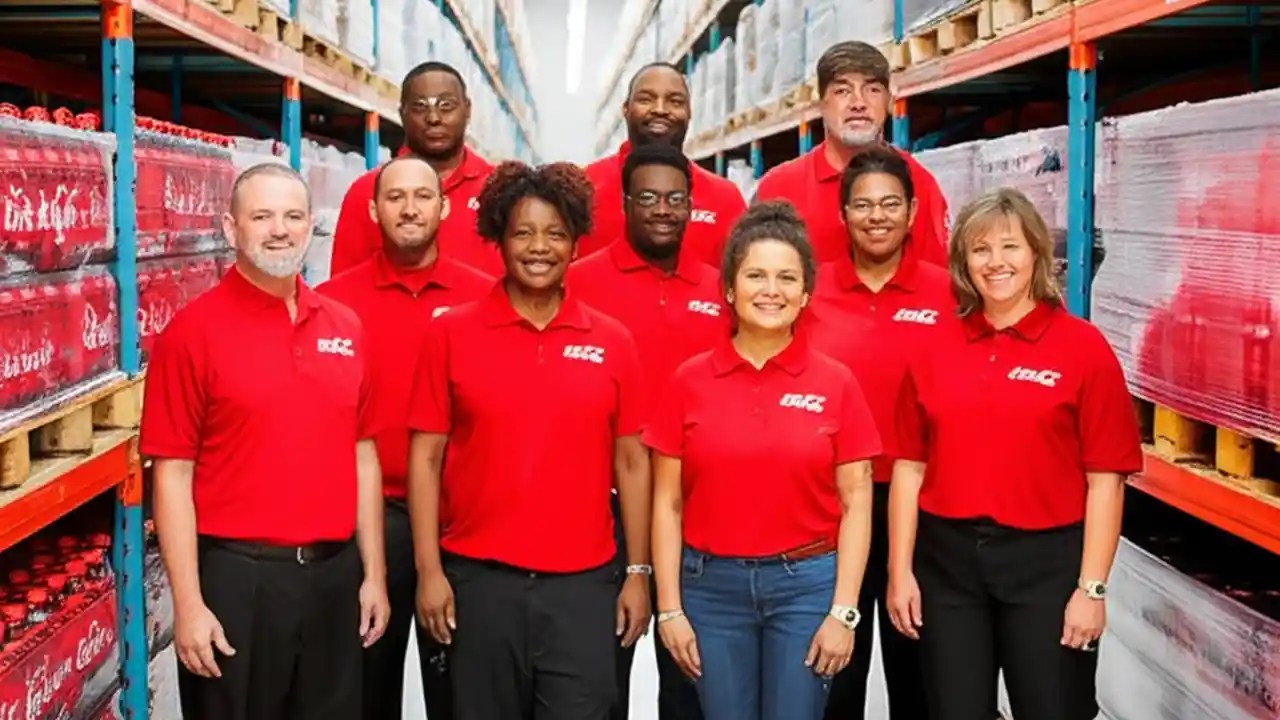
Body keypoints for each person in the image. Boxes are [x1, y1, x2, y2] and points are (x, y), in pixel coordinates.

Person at [141, 163, 390, 720]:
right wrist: (189, 605)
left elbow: (363, 454)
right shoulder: (192, 334)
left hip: (333, 578)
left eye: (293, 216)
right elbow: (172, 476)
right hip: (238, 582)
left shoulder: (345, 328)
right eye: (262, 216)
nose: (280, 229)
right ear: (231, 229)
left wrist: (373, 574)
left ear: (310, 226)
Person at [405, 161, 653, 720]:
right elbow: (425, 458)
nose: (539, 247)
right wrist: (428, 571)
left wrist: (638, 574)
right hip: (478, 582)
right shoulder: (451, 333)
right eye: (523, 232)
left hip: (583, 588)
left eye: (556, 234)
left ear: (575, 243)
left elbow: (633, 464)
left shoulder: (612, 341)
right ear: (498, 237)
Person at [886, 188, 1142, 720]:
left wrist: (1091, 588)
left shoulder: (1082, 348)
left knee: (1052, 708)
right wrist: (900, 571)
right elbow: (909, 468)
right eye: (980, 250)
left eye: (1010, 247)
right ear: (963, 262)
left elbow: (1106, 480)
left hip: (1046, 566)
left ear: (1035, 255)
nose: (995, 263)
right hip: (947, 566)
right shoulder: (934, 348)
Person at [647, 201, 881, 720]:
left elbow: (857, 500)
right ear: (730, 288)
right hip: (711, 591)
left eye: (785, 278)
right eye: (755, 275)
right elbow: (666, 503)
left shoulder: (836, 383)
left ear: (805, 295)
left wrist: (845, 611)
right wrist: (669, 608)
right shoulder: (688, 381)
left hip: (806, 588)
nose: (770, 290)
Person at [317, 156, 493, 720]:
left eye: (423, 196)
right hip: (371, 522)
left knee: (462, 689)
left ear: (444, 207)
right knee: (366, 686)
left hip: (458, 522)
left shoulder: (484, 298)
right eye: (395, 198)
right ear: (373, 210)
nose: (410, 208)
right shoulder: (332, 303)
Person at [566, 142, 726, 720]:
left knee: (691, 682)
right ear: (625, 203)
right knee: (598, 681)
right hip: (605, 512)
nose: (663, 209)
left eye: (676, 199)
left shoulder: (720, 289)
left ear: (692, 207)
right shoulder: (579, 282)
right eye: (649, 198)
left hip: (698, 511)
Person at [800, 147, 952, 720]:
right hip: (833, 505)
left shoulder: (948, 294)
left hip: (923, 505)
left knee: (920, 671)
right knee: (835, 672)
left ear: (913, 212)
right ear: (842, 215)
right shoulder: (812, 292)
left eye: (890, 203)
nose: (877, 216)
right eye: (862, 205)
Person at [754, 41, 949, 268]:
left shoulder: (918, 182)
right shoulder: (779, 188)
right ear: (821, 105)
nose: (858, 103)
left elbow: (937, 284)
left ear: (889, 100)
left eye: (872, 90)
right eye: (843, 91)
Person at [330, 61, 499, 276]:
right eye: (420, 106)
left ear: (467, 110)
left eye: (446, 105)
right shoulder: (367, 191)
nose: (434, 118)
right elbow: (343, 291)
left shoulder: (498, 189)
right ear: (402, 114)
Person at [582, 62, 747, 267]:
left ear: (689, 113)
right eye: (646, 99)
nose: (660, 109)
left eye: (675, 101)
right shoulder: (584, 187)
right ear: (625, 109)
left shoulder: (724, 199)